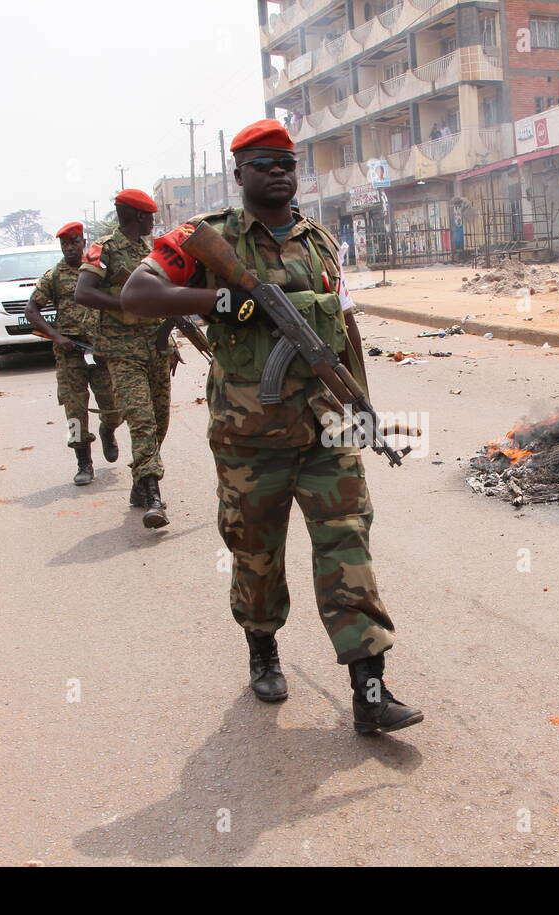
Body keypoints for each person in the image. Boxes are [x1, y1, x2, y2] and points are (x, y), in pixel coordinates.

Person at [120, 119, 422, 735]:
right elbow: (137, 293)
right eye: (264, 162)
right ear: (240, 173)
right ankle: (262, 644)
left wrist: (361, 405)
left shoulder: (320, 243)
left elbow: (341, 329)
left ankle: (371, 689)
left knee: (348, 547)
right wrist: (222, 302)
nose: (279, 170)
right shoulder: (206, 238)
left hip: (328, 429)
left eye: (287, 161)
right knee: (255, 555)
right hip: (249, 438)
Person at [74, 188, 178, 529]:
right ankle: (153, 495)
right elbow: (83, 292)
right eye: (149, 216)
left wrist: (172, 341)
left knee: (160, 421)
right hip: (122, 350)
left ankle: (139, 482)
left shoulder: (151, 252)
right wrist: (127, 303)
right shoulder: (103, 248)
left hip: (156, 346)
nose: (152, 222)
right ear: (137, 216)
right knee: (142, 419)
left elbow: (163, 301)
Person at [25, 221, 122, 486]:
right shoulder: (54, 276)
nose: (69, 247)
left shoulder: (97, 270)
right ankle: (84, 463)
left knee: (114, 408)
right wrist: (58, 337)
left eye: (74, 242)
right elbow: (31, 310)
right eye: (64, 244)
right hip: (70, 354)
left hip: (100, 351)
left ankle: (108, 430)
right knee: (74, 412)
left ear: (82, 241)